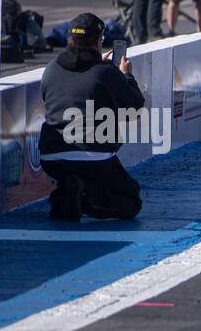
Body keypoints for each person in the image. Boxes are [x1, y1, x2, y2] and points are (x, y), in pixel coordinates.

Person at [38, 12, 144, 222]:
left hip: (51, 158)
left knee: (74, 174)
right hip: (94, 157)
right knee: (130, 203)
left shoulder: (51, 69)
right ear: (98, 41)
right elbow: (134, 108)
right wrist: (126, 76)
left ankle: (67, 194)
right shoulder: (105, 72)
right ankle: (87, 200)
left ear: (70, 39)